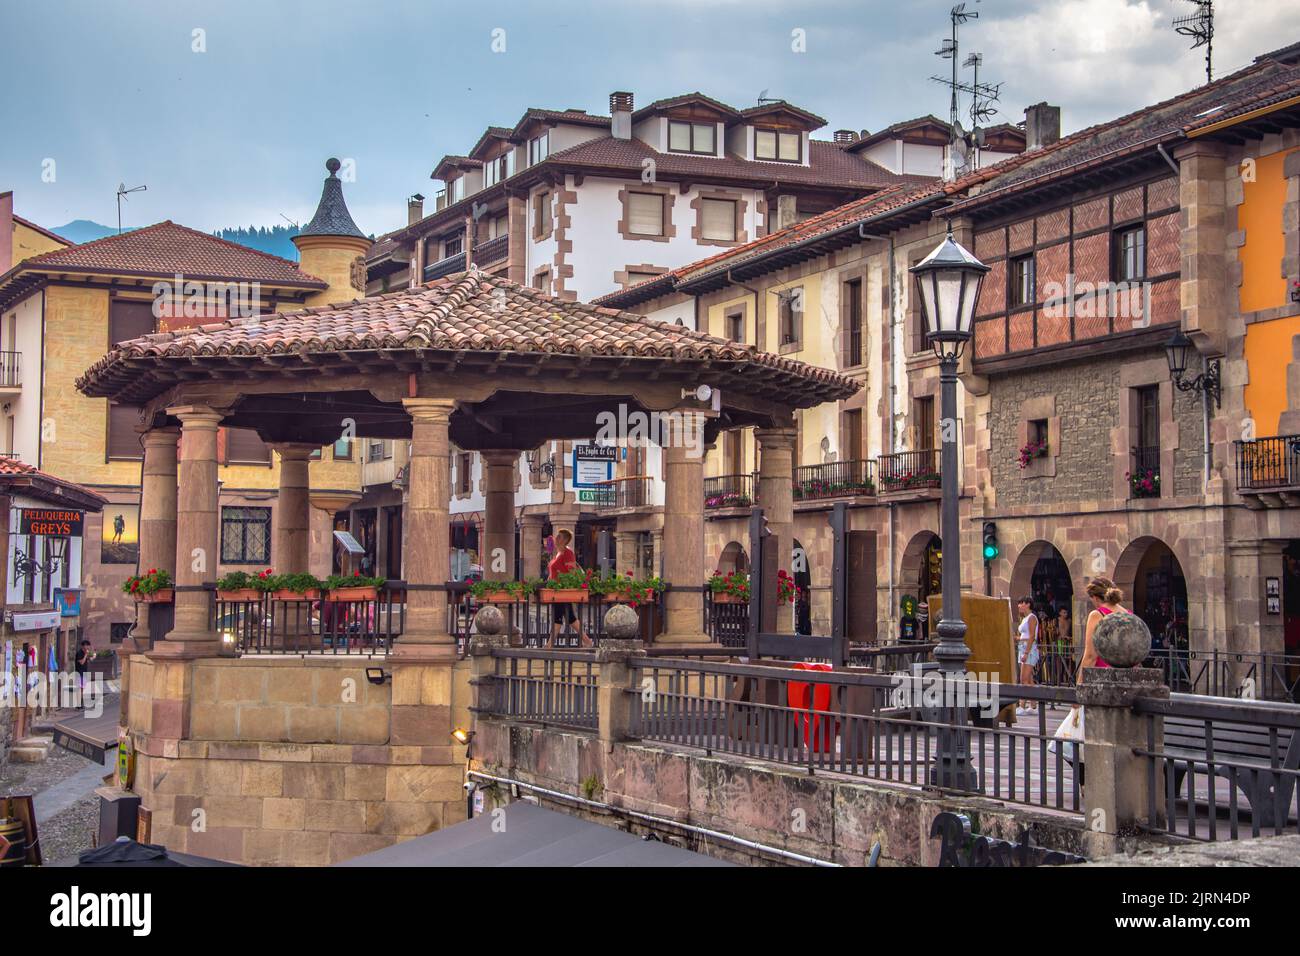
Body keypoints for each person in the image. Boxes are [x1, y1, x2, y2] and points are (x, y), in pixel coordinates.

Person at [546, 529, 591, 649]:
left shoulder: (567, 553)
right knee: (570, 618)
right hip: (557, 590)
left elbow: (571, 571)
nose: (556, 539)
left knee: (559, 618)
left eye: (559, 537)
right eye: (557, 536)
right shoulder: (558, 553)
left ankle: (550, 645)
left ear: (565, 540)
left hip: (562, 590)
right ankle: (587, 641)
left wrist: (566, 584)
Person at [1077, 577, 1128, 681]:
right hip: (1125, 674)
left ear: (1095, 598)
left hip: (1103, 674)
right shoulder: (1127, 613)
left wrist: (1080, 682)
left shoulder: (1097, 615)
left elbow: (1091, 655)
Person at [1015, 597, 1040, 716]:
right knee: (1029, 679)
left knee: (1023, 679)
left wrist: (1026, 653)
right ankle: (1033, 705)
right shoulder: (1025, 618)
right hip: (1023, 647)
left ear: (1028, 604)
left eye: (1021, 603)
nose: (1019, 605)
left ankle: (1021, 705)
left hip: (1028, 649)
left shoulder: (1032, 617)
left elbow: (1032, 637)